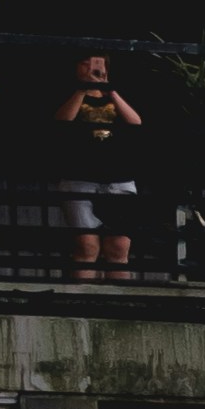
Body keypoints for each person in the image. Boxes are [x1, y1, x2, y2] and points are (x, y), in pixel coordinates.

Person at [53, 52, 145, 275]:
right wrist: (82, 89)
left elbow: (135, 122)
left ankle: (119, 302)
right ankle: (83, 301)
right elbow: (62, 121)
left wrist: (110, 89)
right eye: (85, 63)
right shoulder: (68, 93)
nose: (91, 68)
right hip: (79, 178)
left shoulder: (116, 95)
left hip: (119, 178)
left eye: (96, 64)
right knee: (86, 245)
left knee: (119, 247)